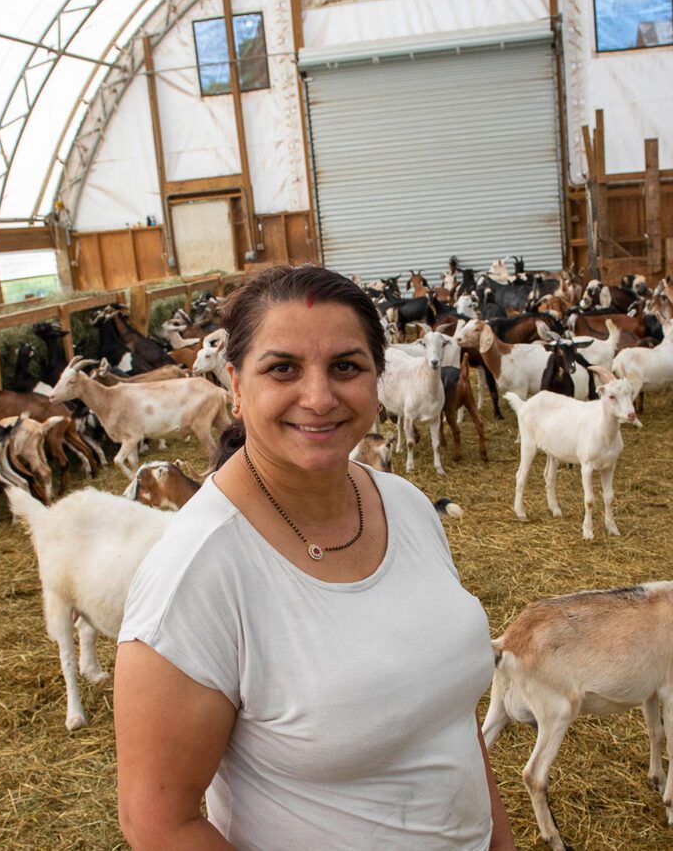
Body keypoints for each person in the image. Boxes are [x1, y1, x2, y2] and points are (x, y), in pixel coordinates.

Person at [115, 265, 513, 850]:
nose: (320, 398)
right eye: (283, 368)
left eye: (346, 367)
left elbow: (449, 718)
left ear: (378, 378)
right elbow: (156, 822)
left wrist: (497, 840)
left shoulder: (405, 506)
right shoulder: (197, 573)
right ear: (235, 385)